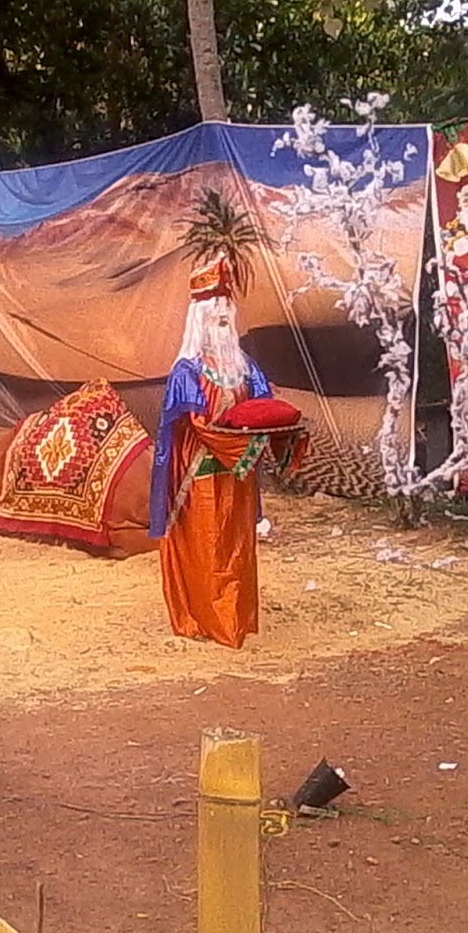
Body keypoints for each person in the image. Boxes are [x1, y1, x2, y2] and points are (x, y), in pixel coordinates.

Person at [148, 256, 284, 650]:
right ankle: (206, 619)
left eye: (227, 306)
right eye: (215, 308)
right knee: (207, 546)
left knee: (237, 547)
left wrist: (273, 435)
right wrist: (243, 447)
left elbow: (264, 407)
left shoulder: (245, 367)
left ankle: (235, 620)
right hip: (201, 474)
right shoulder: (187, 372)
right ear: (200, 318)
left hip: (237, 475)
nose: (223, 314)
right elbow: (198, 425)